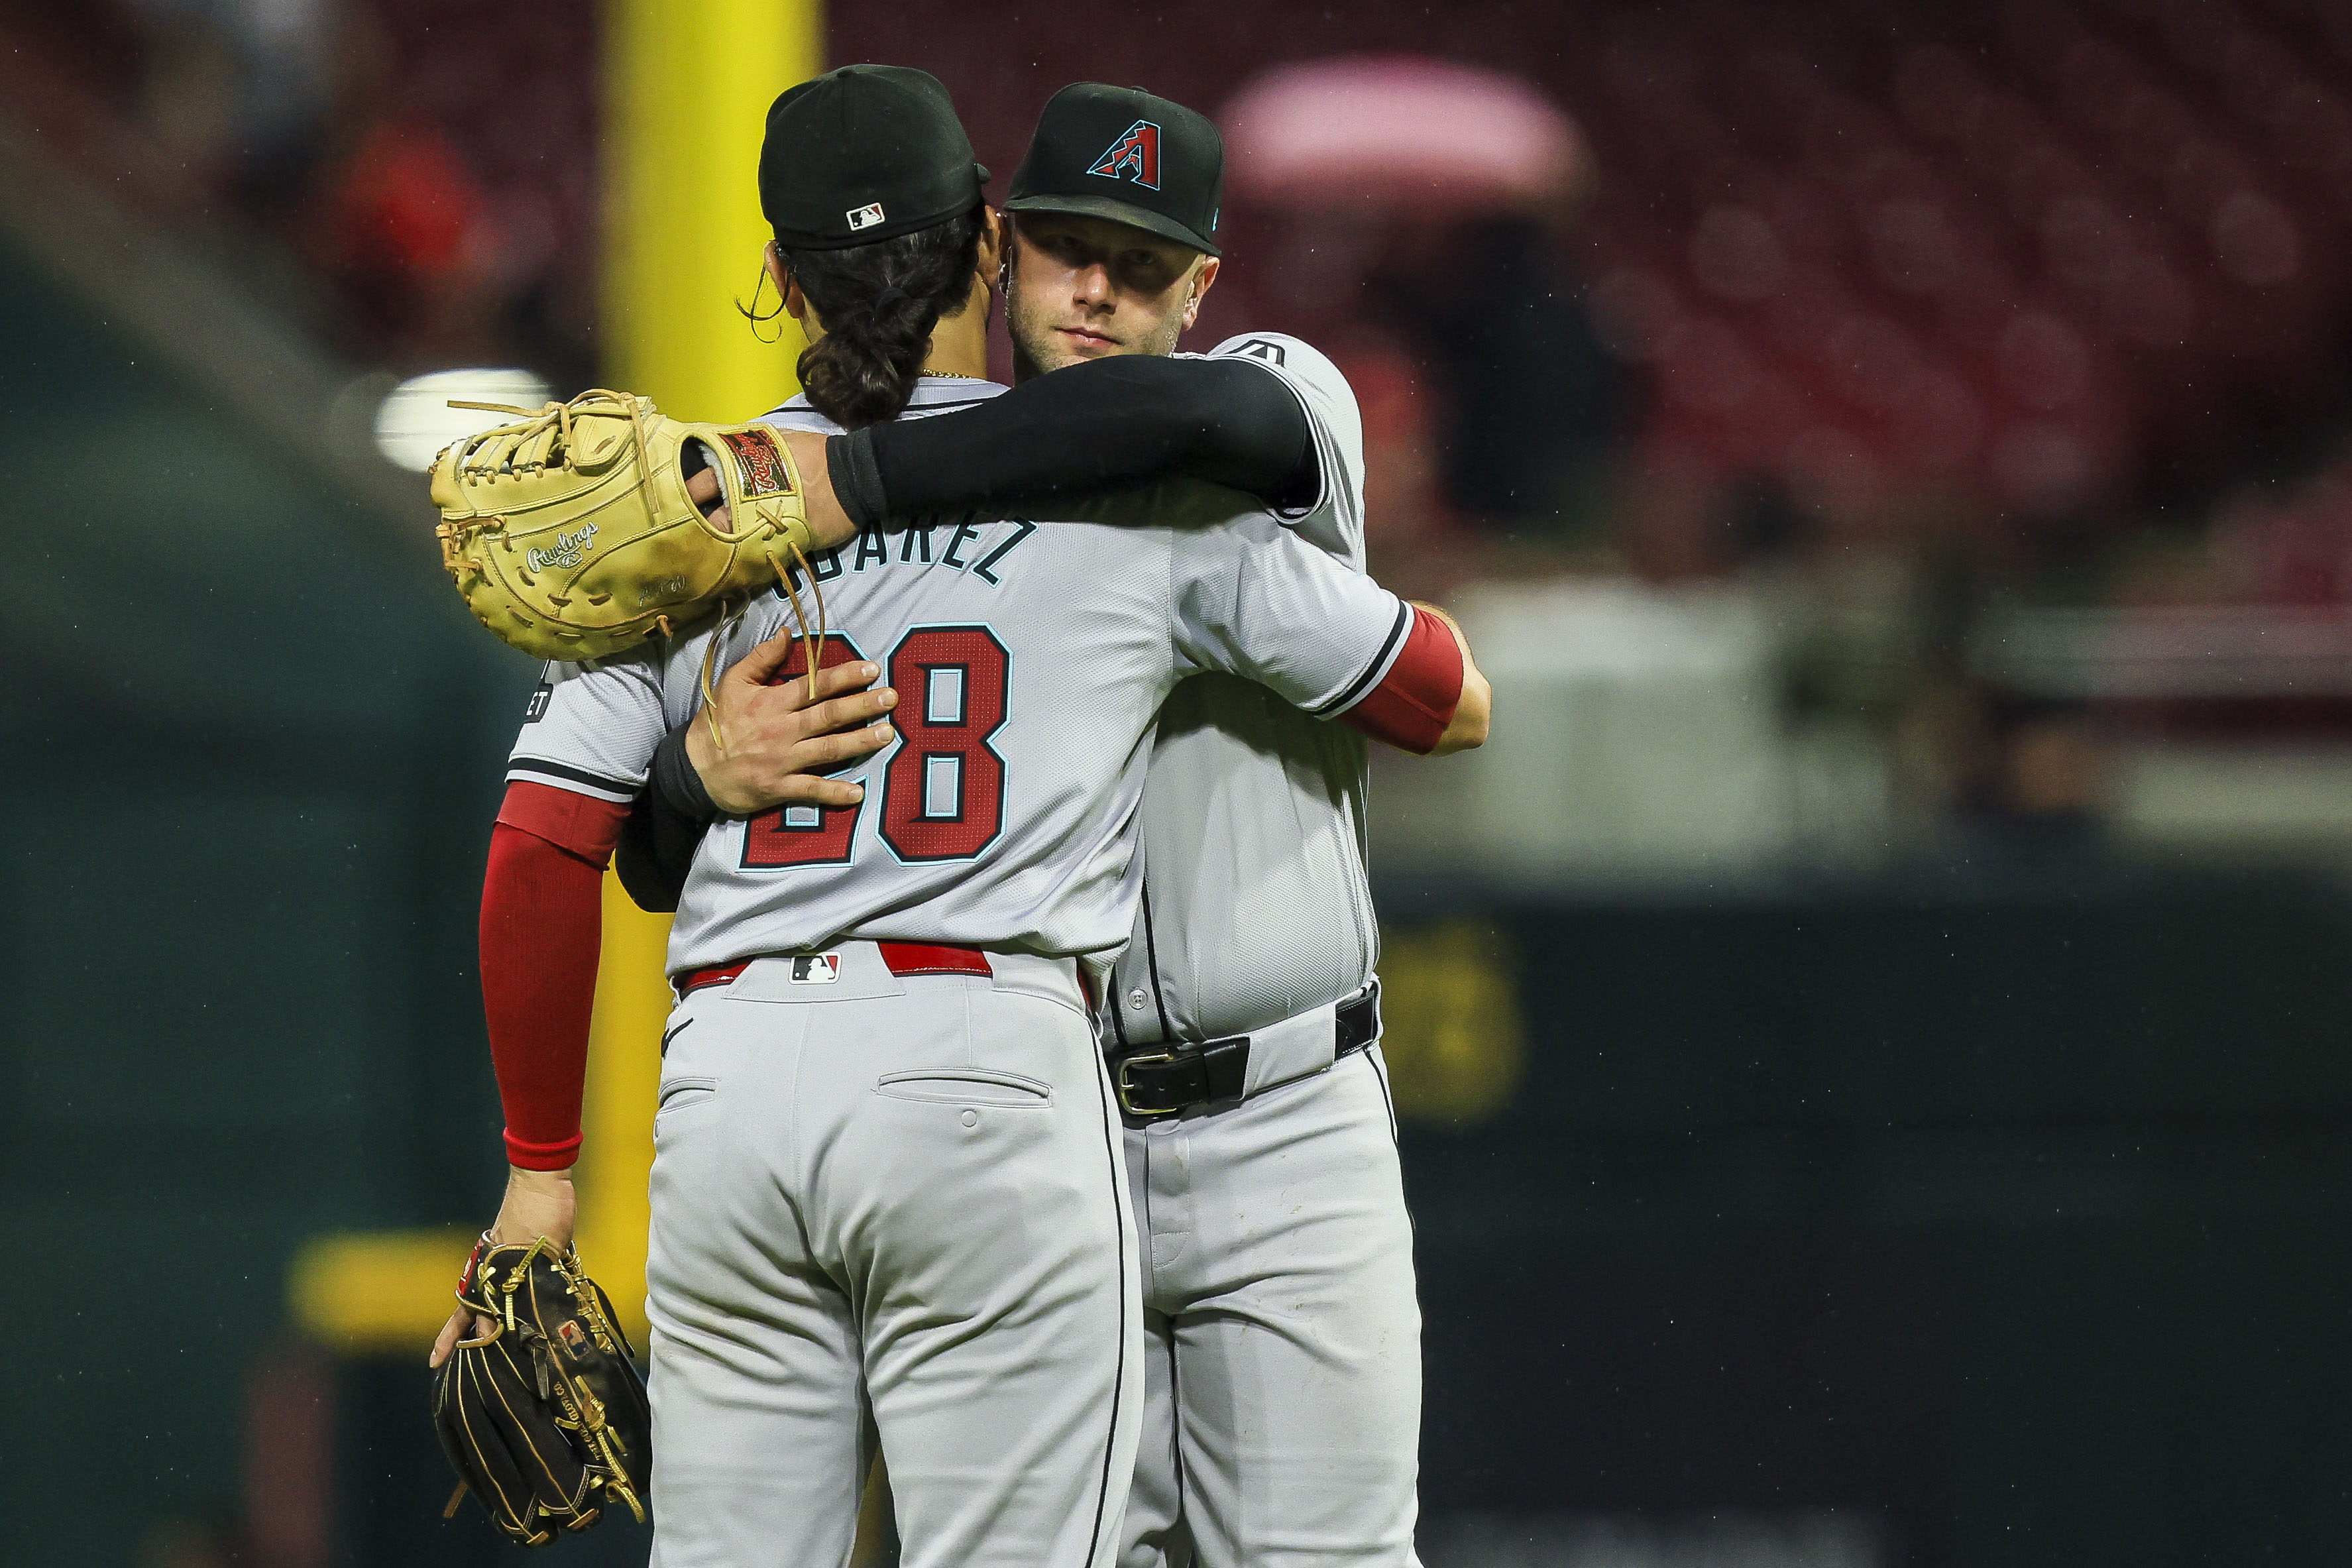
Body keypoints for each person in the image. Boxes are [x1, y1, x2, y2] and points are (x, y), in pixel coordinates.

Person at [434, 66, 1487, 1568]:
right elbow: (1442, 690)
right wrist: (690, 779)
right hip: (1019, 1082)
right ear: (996, 248)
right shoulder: (1140, 512)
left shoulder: (1223, 418)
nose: (1096, 293)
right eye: (1070, 250)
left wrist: (541, 1177)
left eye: (1140, 265)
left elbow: (549, 848)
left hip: (1232, 1112)